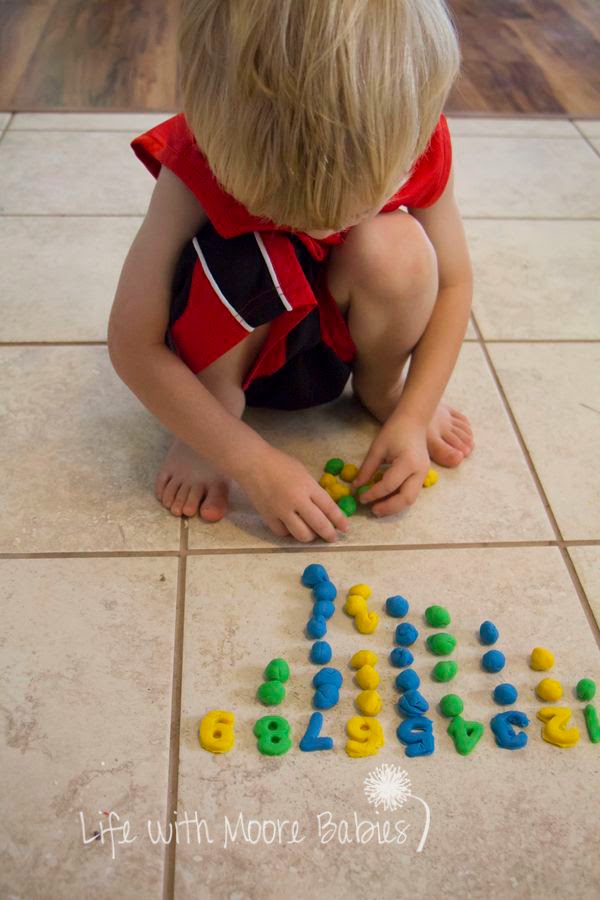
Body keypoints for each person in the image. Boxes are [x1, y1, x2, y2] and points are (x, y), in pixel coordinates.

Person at [108, 0, 474, 544]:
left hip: (338, 331)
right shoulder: (196, 157)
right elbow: (132, 342)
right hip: (230, 356)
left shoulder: (412, 135)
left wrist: (414, 415)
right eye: (288, 212)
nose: (323, 234)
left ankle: (381, 388)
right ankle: (211, 416)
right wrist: (248, 459)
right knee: (245, 253)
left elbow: (453, 281)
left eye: (348, 213)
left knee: (398, 246)